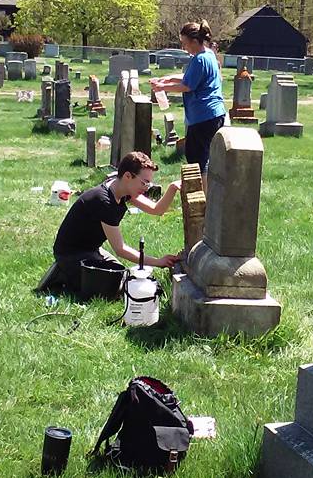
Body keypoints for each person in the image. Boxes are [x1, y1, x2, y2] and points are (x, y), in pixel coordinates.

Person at [36, 151, 181, 295]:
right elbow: (120, 249)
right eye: (144, 183)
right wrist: (158, 262)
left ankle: (78, 272)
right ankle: (62, 274)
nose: (146, 188)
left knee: (123, 277)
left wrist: (173, 188)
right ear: (127, 176)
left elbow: (157, 210)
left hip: (92, 249)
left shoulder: (121, 189)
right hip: (70, 254)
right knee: (112, 289)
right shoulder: (104, 201)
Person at [149, 20, 226, 187]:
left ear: (194, 41)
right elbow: (191, 78)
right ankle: (208, 197)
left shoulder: (199, 59)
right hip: (215, 114)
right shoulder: (209, 55)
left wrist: (163, 86)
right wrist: (168, 78)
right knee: (203, 157)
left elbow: (187, 86)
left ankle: (203, 199)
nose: (184, 48)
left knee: (197, 161)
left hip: (203, 116)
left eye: (185, 44)